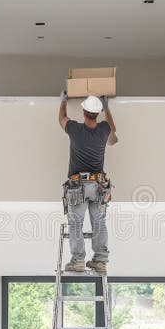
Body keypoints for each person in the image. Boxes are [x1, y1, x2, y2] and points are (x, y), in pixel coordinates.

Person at [58, 91, 118, 273]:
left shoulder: (75, 129)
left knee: (76, 223)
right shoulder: (103, 130)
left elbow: (61, 119)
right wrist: (107, 107)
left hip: (77, 186)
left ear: (83, 112)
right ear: (98, 113)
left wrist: (63, 101)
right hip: (98, 186)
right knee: (99, 222)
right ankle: (100, 261)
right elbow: (112, 129)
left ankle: (77, 261)